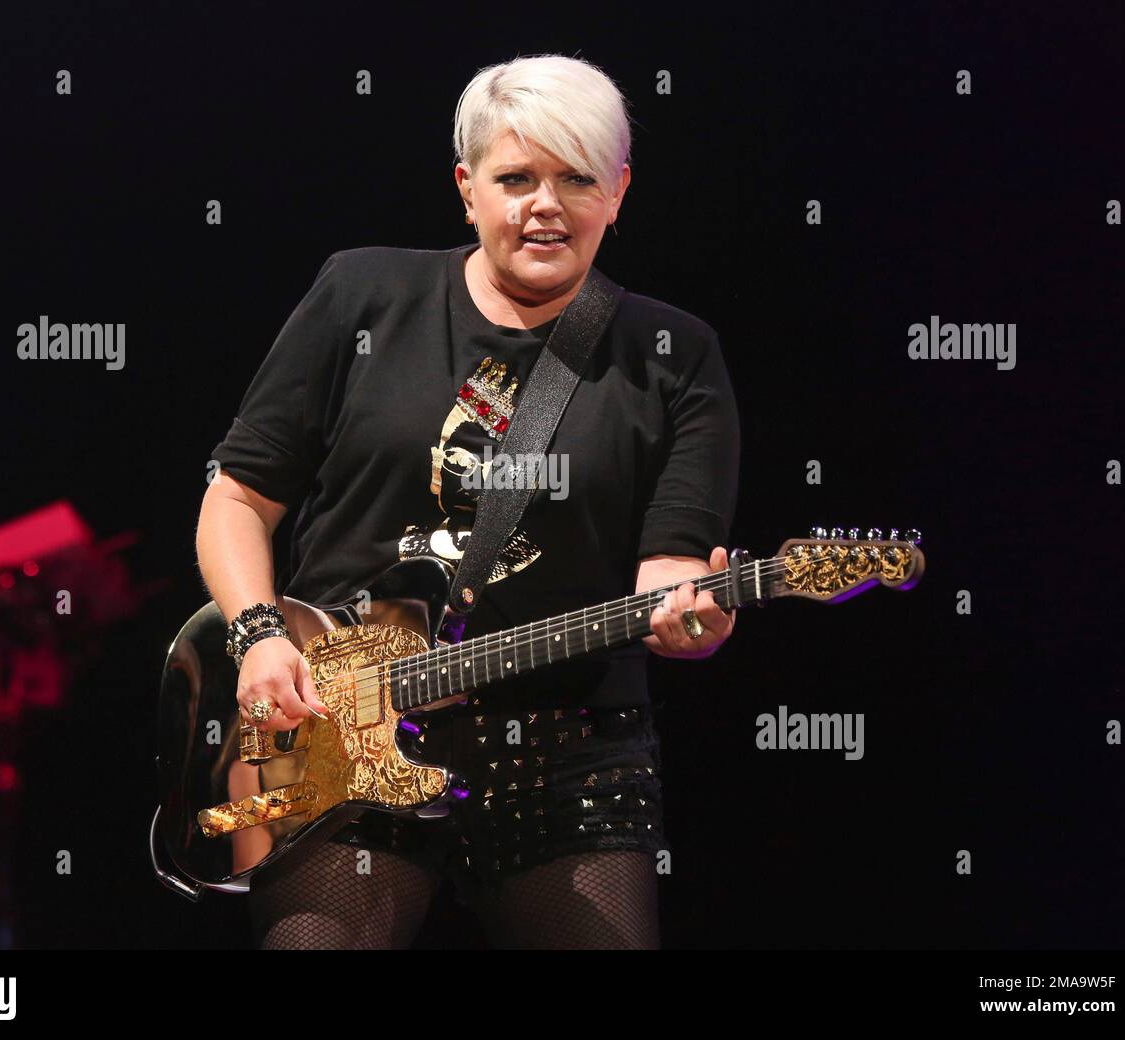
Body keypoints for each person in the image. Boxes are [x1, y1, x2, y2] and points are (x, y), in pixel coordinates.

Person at [195, 53, 740, 949]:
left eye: (577, 179)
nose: (545, 205)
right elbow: (238, 498)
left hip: (572, 758)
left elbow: (671, 570)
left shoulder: (675, 354)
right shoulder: (362, 294)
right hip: (338, 734)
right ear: (467, 187)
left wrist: (692, 615)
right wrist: (257, 635)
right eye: (516, 178)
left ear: (619, 192)